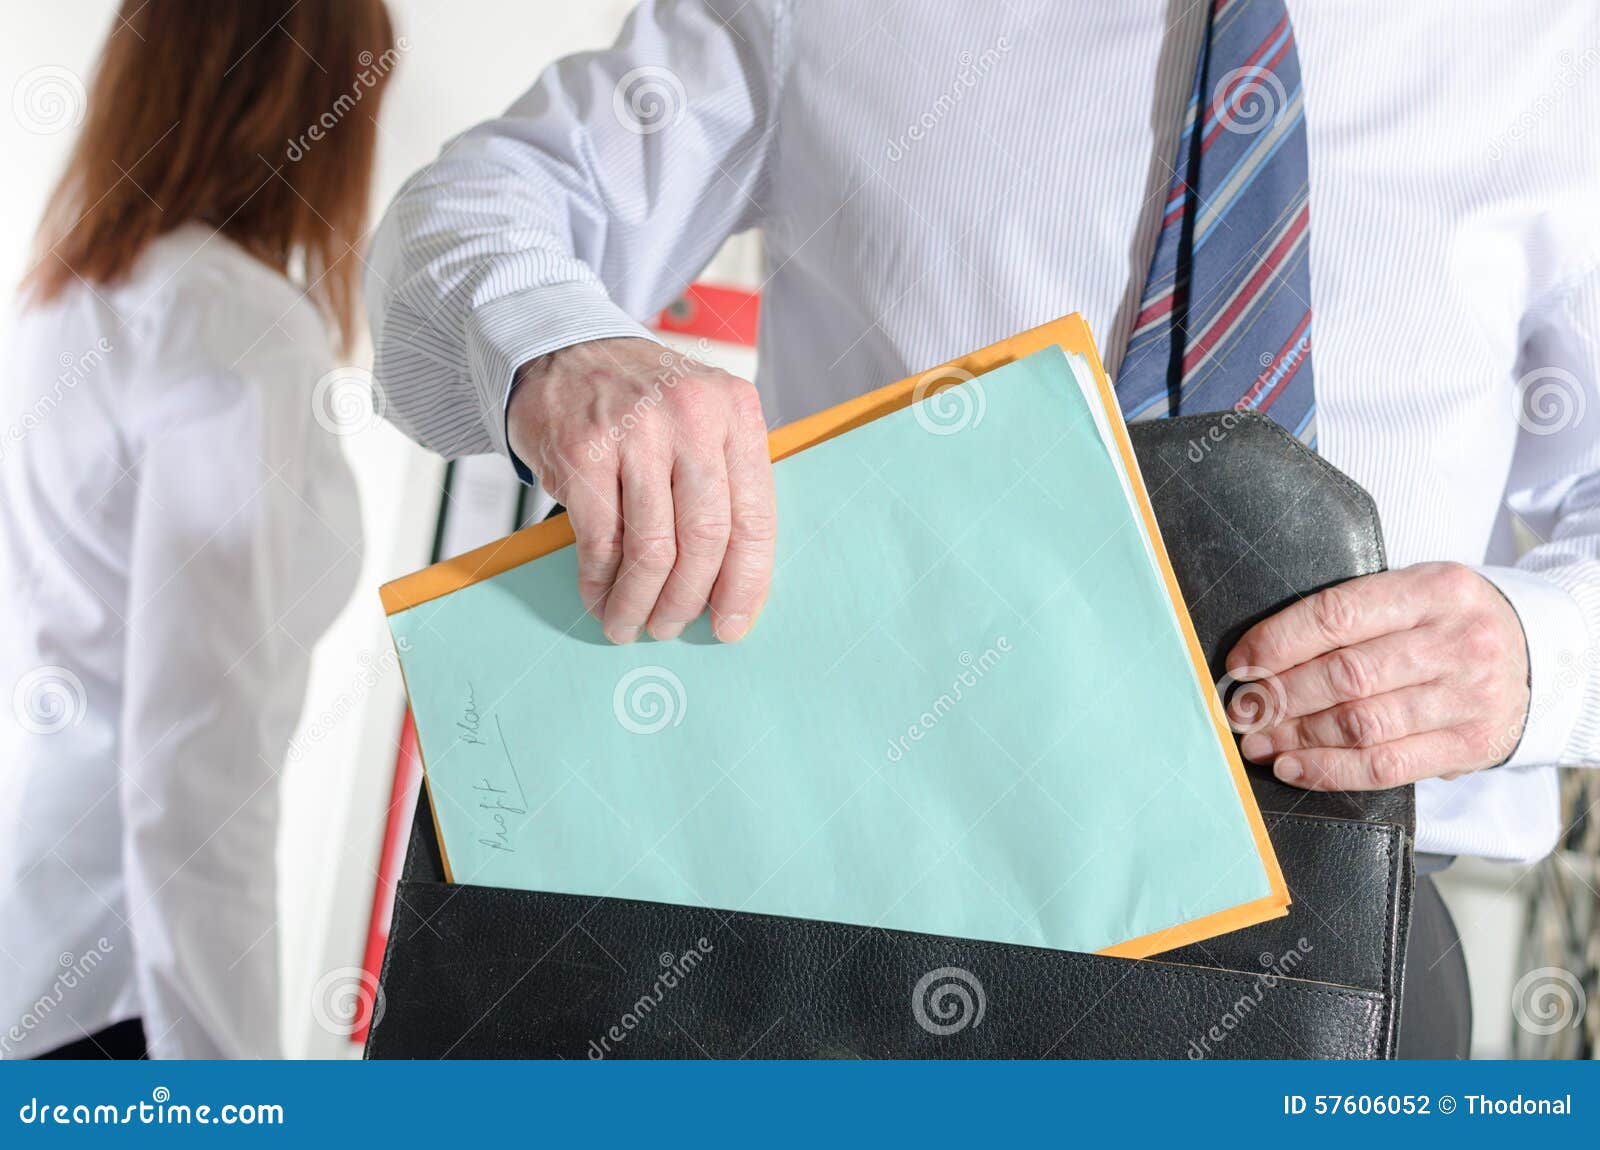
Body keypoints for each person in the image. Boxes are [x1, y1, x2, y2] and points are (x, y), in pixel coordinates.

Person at [366, 0, 1600, 1058]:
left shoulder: (1557, 51)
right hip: (834, 922)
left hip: (1340, 956)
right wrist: (560, 346)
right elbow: (471, 208)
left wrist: (1535, 652)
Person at [0, 0, 395, 1058]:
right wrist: (230, 1091)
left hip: (43, 950)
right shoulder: (234, 320)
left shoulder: (69, 294)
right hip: (133, 988)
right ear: (308, 106)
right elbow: (196, 764)